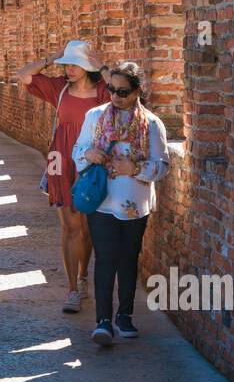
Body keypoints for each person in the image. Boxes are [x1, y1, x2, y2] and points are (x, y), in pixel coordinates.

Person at [72, 61, 169, 346]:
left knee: (129, 259)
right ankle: (103, 321)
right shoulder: (95, 116)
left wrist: (135, 169)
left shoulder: (152, 124)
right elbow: (77, 149)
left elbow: (162, 166)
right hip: (102, 200)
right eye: (111, 89)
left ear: (139, 90)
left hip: (135, 204)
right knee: (105, 258)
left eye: (123, 91)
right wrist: (89, 153)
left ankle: (124, 316)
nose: (116, 96)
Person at [15, 41, 111, 312]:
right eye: (65, 64)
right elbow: (24, 75)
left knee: (88, 227)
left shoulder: (103, 92)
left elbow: (124, 91)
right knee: (70, 227)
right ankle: (72, 290)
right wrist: (51, 57)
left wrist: (102, 65)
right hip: (61, 160)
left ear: (86, 66)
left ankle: (83, 278)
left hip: (92, 162)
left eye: (73, 64)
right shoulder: (58, 88)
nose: (67, 69)